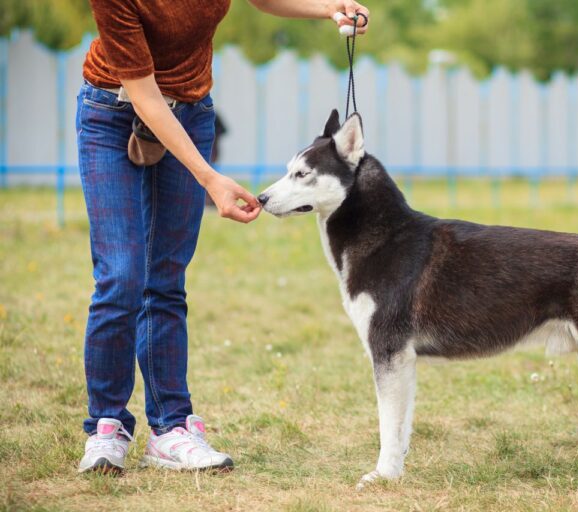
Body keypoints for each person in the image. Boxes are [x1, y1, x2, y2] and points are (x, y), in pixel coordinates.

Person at [77, 0, 370, 474]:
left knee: (165, 278)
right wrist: (210, 178)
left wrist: (327, 7)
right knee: (122, 276)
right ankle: (106, 427)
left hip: (192, 111)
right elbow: (145, 95)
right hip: (112, 112)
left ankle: (171, 428)